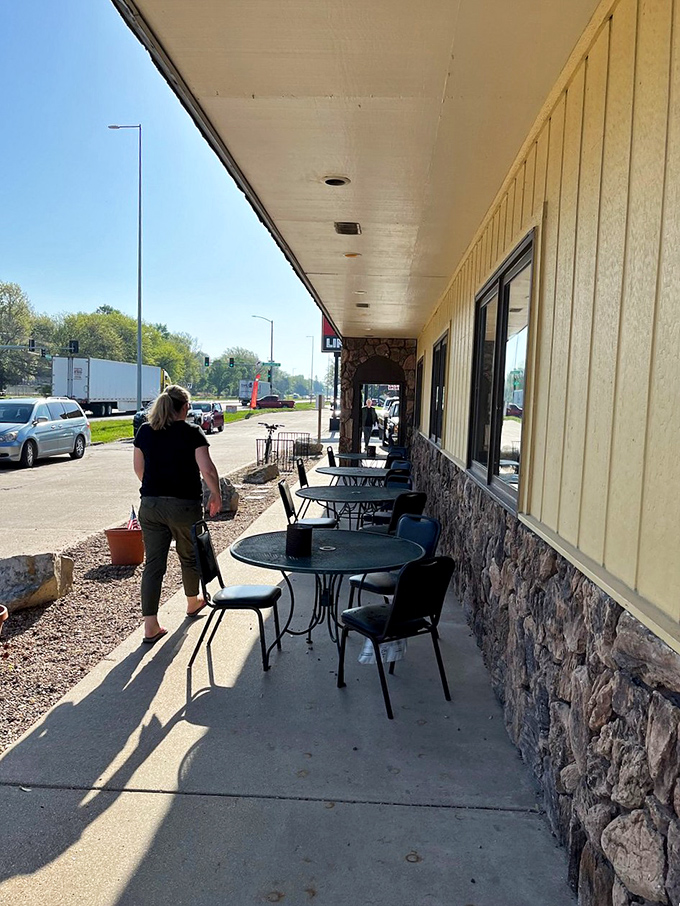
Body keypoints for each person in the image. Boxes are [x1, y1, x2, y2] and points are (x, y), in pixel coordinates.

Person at [133, 384, 222, 644]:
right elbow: (207, 469)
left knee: (154, 564)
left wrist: (155, 492)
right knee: (188, 555)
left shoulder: (145, 431)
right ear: (183, 408)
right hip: (184, 506)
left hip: (150, 506)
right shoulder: (192, 432)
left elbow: (139, 469)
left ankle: (150, 625)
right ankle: (192, 602)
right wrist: (216, 494)